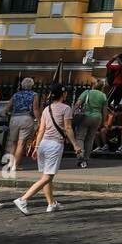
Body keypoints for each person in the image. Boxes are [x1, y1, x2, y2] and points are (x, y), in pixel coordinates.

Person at [14, 84, 79, 215]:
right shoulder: (66, 108)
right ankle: (23, 199)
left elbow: (41, 129)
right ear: (63, 94)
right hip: (55, 145)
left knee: (46, 176)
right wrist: (75, 145)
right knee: (48, 177)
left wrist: (36, 147)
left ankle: (51, 203)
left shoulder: (46, 109)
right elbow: (68, 128)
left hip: (43, 144)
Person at [5, 77, 39, 172]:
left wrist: (4, 112)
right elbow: (35, 109)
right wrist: (39, 120)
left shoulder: (16, 95)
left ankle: (10, 163)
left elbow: (8, 106)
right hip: (26, 118)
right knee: (21, 143)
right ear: (32, 85)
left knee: (13, 143)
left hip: (14, 118)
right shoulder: (34, 94)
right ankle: (15, 165)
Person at [71, 78, 106, 168]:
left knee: (80, 137)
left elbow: (77, 104)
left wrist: (71, 112)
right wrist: (103, 122)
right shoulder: (103, 96)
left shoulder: (87, 92)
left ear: (93, 85)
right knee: (90, 139)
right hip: (97, 118)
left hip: (86, 116)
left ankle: (80, 156)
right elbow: (104, 110)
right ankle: (86, 158)